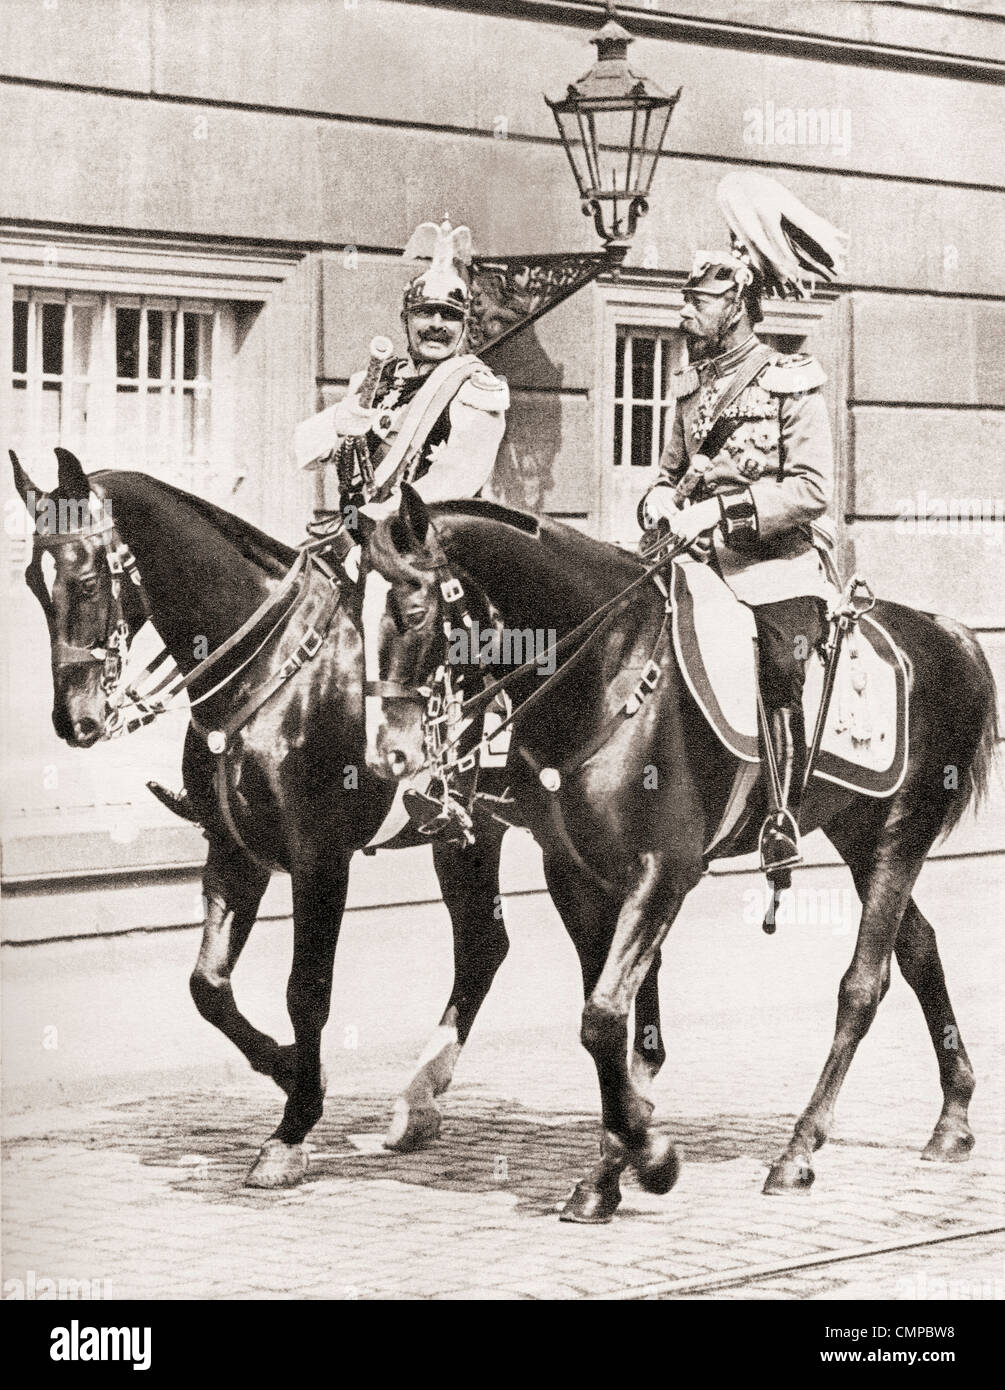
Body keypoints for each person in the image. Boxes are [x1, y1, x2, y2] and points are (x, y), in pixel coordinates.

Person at [149, 220, 508, 826]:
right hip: (348, 539)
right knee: (254, 617)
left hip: (427, 546)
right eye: (425, 314)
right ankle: (209, 774)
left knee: (439, 640)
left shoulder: (476, 389)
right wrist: (348, 418)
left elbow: (459, 478)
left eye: (449, 316)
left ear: (464, 324)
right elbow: (305, 445)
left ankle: (444, 782)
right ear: (408, 319)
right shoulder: (383, 379)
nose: (437, 327)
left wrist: (388, 514)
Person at [638, 173, 848, 882]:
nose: (684, 311)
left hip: (774, 568)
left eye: (697, 301)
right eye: (686, 299)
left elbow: (812, 491)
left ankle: (781, 815)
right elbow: (668, 472)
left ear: (736, 305)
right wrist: (659, 504)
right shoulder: (690, 386)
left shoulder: (791, 380)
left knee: (777, 665)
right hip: (693, 560)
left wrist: (721, 511)